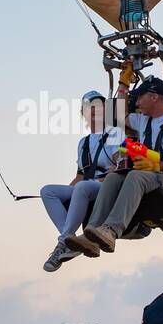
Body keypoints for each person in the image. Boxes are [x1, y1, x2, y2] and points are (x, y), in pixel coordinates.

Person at [65, 76, 163, 257]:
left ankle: (111, 230)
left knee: (135, 176)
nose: (138, 103)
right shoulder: (142, 121)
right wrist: (123, 84)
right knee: (113, 178)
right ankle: (92, 234)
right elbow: (118, 115)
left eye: (140, 97)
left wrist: (156, 165)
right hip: (145, 173)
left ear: (154, 97)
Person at [40, 91, 114, 270]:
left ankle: (64, 243)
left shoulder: (115, 134)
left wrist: (100, 180)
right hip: (86, 186)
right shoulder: (84, 142)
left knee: (82, 187)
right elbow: (80, 175)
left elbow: (120, 167)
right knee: (48, 191)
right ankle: (70, 238)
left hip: (107, 184)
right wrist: (66, 197)